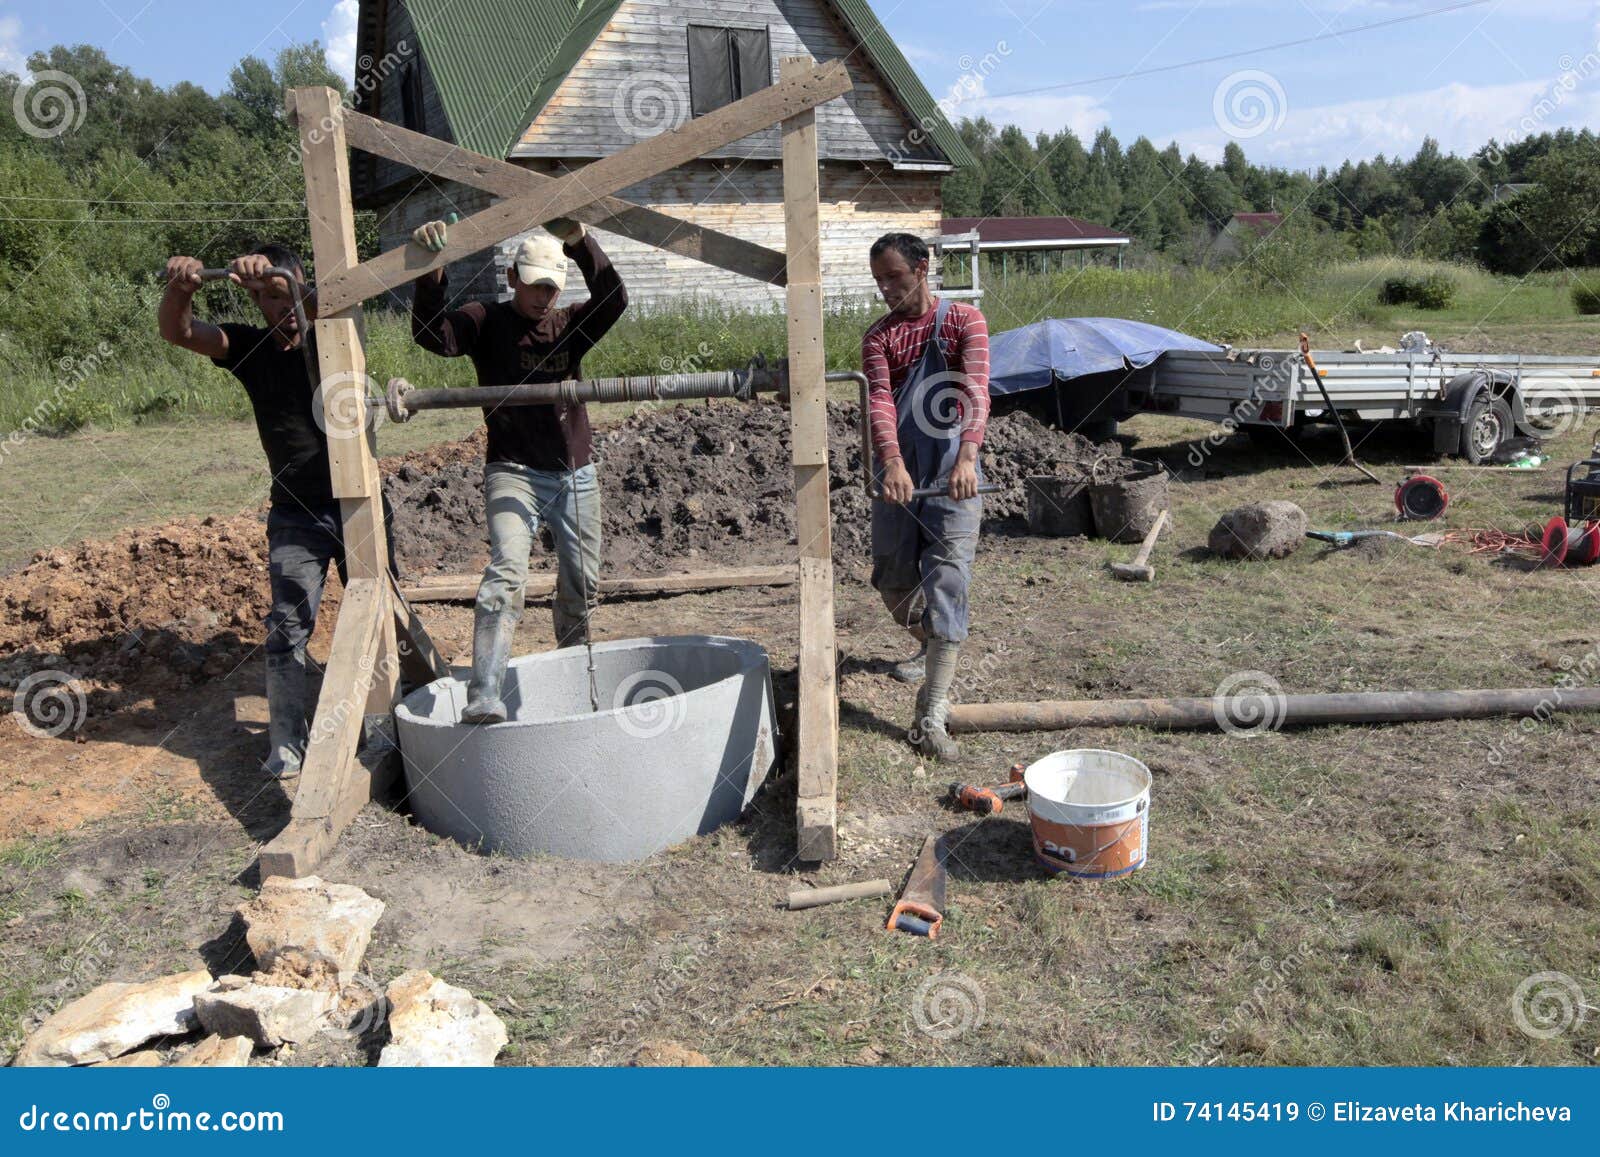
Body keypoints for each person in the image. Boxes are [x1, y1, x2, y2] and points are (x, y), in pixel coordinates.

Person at [158, 244, 394, 778]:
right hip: (296, 514)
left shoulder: (336, 334)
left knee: (383, 616)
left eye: (286, 292)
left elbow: (318, 303)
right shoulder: (250, 348)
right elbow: (180, 332)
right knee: (286, 628)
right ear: (256, 302)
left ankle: (389, 724)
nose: (281, 305)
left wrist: (285, 280)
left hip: (359, 503)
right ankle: (287, 743)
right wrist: (180, 288)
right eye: (267, 297)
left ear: (303, 282)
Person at [409, 215, 628, 723]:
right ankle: (485, 692)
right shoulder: (486, 320)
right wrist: (431, 269)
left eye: (551, 288)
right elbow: (433, 336)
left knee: (583, 583)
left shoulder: (571, 325)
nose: (543, 297)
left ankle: (572, 671)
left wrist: (579, 242)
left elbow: (614, 299)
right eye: (533, 285)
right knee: (506, 573)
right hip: (512, 471)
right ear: (512, 278)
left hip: (574, 473)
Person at [861, 231, 991, 761]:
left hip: (953, 468)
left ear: (922, 268)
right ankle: (927, 640)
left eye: (894, 276)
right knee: (893, 581)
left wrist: (967, 457)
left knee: (949, 581)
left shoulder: (963, 321)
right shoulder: (880, 337)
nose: (886, 288)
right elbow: (879, 400)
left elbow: (975, 388)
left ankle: (931, 711)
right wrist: (892, 462)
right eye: (879, 280)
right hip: (899, 471)